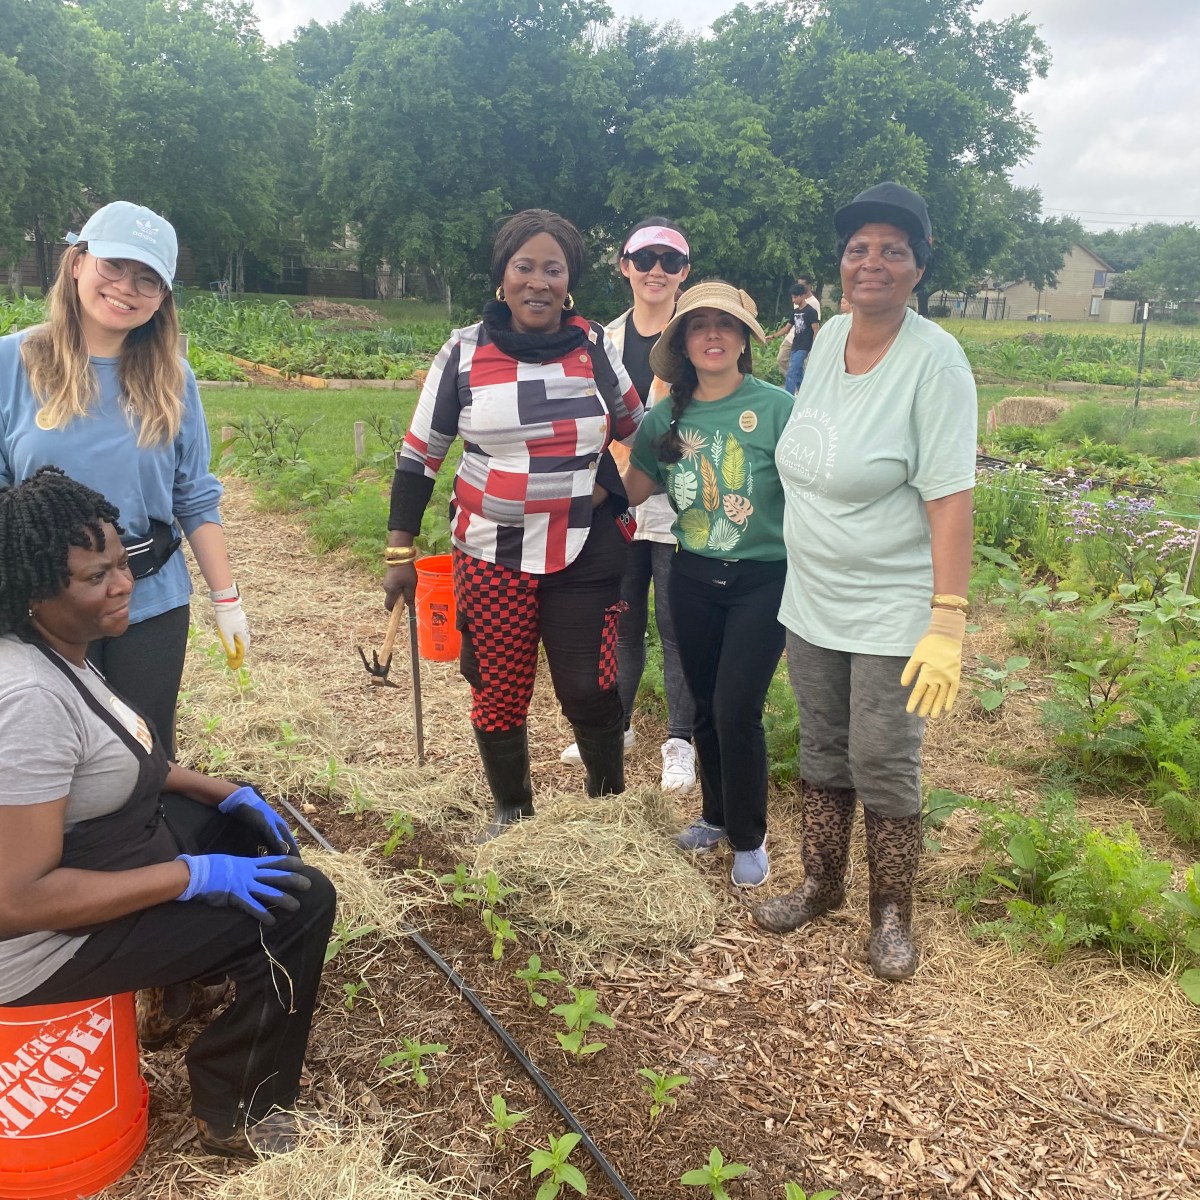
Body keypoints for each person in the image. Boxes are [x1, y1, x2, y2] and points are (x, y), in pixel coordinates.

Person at [0, 467, 336, 1158]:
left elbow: (132, 762)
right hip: (41, 949)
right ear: (35, 591)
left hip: (99, 851)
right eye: (96, 577)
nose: (122, 584)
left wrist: (228, 793)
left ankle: (186, 986)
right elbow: (18, 900)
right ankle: (237, 1109)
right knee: (301, 904)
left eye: (123, 563)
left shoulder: (61, 649)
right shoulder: (28, 699)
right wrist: (191, 876)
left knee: (239, 826)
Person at [755, 182, 976, 980]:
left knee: (883, 755)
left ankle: (891, 915)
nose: (871, 262)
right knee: (822, 745)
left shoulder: (936, 364)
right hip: (811, 600)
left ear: (919, 266)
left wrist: (946, 618)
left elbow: (950, 501)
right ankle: (820, 885)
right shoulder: (831, 337)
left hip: (890, 606)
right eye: (858, 249)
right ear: (840, 264)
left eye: (892, 249)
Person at [383, 210, 644, 840]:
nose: (538, 281)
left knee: (589, 687)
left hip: (587, 548)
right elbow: (421, 455)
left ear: (569, 280)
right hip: (491, 550)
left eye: (552, 269)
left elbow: (640, 428)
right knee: (499, 687)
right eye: (523, 266)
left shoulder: (592, 346)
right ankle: (514, 808)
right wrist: (399, 553)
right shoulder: (464, 350)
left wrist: (615, 489)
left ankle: (607, 810)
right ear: (502, 277)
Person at [0, 201, 249, 760]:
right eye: (113, 265)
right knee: (41, 754)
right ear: (77, 264)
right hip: (41, 603)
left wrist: (226, 598)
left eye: (147, 279)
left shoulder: (171, 377)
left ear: (163, 298)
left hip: (148, 601)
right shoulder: (12, 363)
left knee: (142, 755)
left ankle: (143, 847)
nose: (126, 287)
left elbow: (195, 496)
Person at [622, 282, 794, 888]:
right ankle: (715, 817)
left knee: (735, 707)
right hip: (691, 575)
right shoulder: (666, 417)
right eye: (699, 327)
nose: (713, 335)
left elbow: (812, 495)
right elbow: (631, 487)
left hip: (762, 580)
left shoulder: (777, 409)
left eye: (727, 324)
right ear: (684, 343)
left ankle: (750, 836)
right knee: (700, 703)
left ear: (745, 339)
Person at [559, 218, 697, 792]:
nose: (656, 271)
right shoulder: (601, 341)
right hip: (615, 496)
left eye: (669, 261)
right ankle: (616, 724)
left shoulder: (698, 334)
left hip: (680, 503)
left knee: (675, 623)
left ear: (684, 272)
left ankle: (680, 741)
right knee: (619, 620)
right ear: (625, 268)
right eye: (645, 260)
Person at [768, 278, 821, 395]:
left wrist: (814, 346)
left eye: (795, 297)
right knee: (798, 372)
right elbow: (787, 328)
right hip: (795, 344)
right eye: (792, 297)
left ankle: (788, 396)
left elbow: (816, 329)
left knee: (792, 372)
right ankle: (804, 394)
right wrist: (773, 336)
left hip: (805, 346)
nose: (793, 300)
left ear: (802, 296)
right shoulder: (795, 312)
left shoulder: (811, 311)